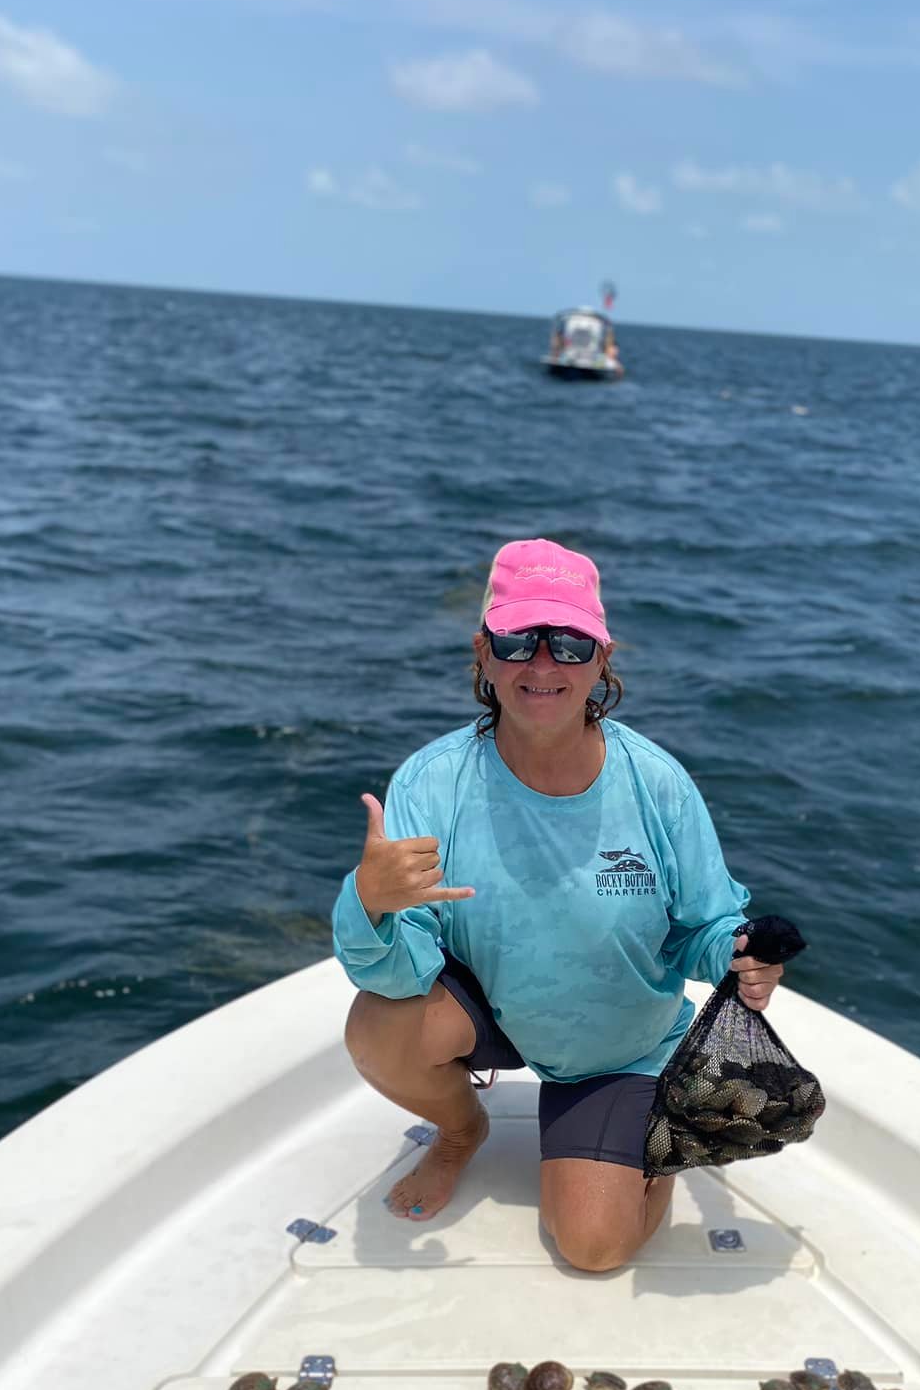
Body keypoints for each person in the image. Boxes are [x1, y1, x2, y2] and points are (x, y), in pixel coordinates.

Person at [332, 537, 785, 1272]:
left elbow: (707, 926)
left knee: (594, 1248)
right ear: (484, 654)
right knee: (376, 1026)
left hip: (619, 1046)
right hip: (499, 1006)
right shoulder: (431, 782)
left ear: (603, 659)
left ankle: (653, 1135)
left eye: (570, 643)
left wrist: (744, 955)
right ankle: (459, 1132)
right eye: (518, 641)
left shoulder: (658, 784)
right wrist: (371, 905)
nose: (542, 665)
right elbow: (393, 974)